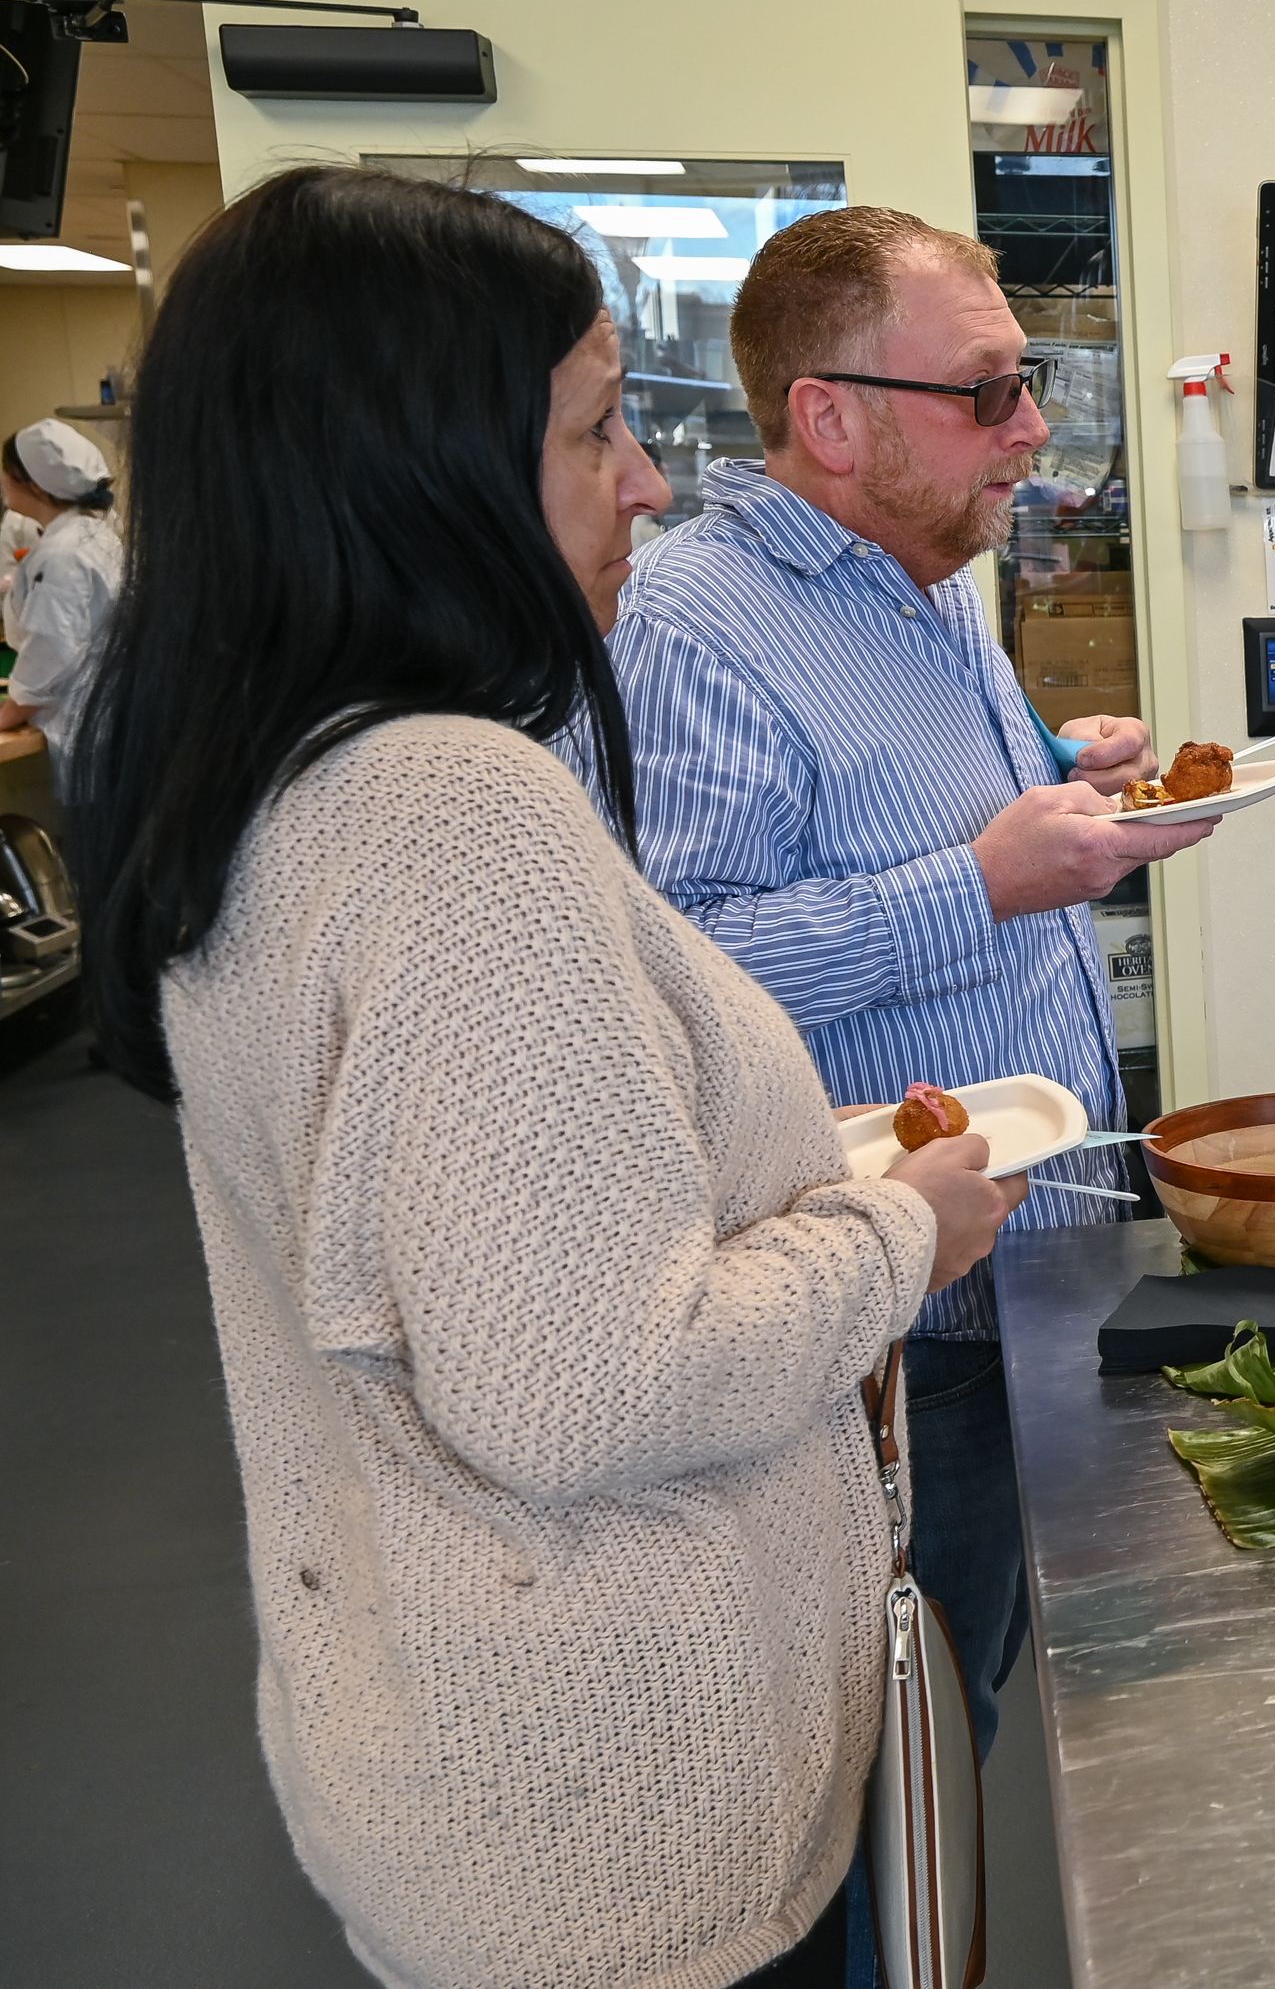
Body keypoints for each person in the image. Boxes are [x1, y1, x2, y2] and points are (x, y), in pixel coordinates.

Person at [64, 166, 1014, 1987]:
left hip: (443, 1734)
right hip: (632, 1806)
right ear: (417, 467)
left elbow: (467, 1255)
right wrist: (898, 1228)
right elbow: (588, 1383)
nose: (650, 479)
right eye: (596, 428)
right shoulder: (454, 811)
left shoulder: (264, 778)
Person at [588, 205, 1207, 1770]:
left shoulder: (928, 568)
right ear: (832, 415)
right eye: (987, 392)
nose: (1032, 428)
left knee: (979, 1688)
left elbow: (907, 821)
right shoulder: (698, 629)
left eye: (1030, 382)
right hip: (894, 1330)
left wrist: (1073, 792)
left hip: (1029, 1266)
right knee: (896, 1746)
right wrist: (991, 877)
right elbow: (682, 973)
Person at [0, 417, 122, 762]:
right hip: (105, 715)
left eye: (6, 472)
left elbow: (51, 646)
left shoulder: (62, 553)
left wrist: (9, 714)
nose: (2, 481)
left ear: (35, 486)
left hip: (85, 724)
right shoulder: (92, 533)